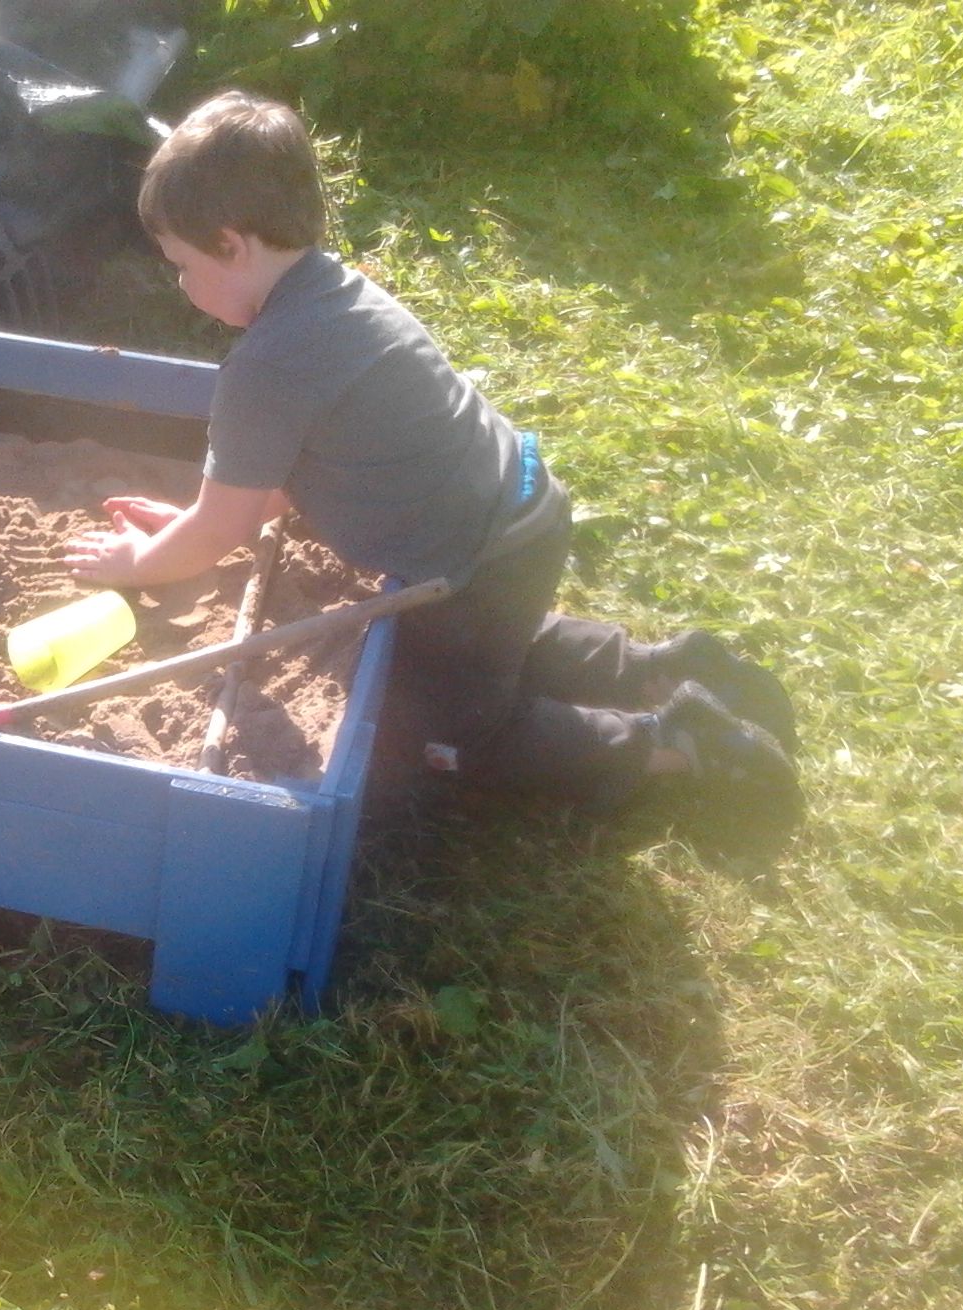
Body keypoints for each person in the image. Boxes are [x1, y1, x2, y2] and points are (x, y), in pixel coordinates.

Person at [64, 90, 801, 853]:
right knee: (486, 643)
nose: (181, 288)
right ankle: (664, 665)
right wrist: (192, 526)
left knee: (444, 730)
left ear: (229, 244)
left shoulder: (268, 366)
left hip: (472, 560)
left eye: (181, 265)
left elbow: (220, 528)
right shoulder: (336, 295)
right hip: (515, 524)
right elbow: (273, 484)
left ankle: (676, 742)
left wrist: (141, 563)